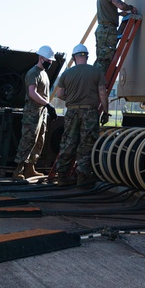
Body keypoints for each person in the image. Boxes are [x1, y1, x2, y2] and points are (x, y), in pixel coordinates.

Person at [53, 44, 108, 187]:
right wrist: (106, 112)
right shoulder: (96, 72)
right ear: (87, 56)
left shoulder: (67, 73)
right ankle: (82, 178)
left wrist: (71, 99)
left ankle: (62, 176)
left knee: (69, 142)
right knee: (87, 144)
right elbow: (103, 93)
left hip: (71, 111)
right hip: (89, 112)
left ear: (74, 57)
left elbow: (59, 94)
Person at [13, 45, 56, 180]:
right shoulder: (33, 73)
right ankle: (18, 169)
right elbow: (32, 93)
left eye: (50, 61)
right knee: (28, 139)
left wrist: (46, 107)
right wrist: (47, 104)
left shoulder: (43, 73)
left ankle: (30, 168)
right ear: (41, 58)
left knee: (39, 140)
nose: (49, 63)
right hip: (32, 111)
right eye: (47, 60)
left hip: (41, 112)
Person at [95, 0, 137, 77]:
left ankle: (94, 81)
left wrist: (118, 14)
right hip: (108, 30)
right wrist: (131, 8)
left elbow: (108, 11)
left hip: (103, 29)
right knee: (106, 59)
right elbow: (121, 5)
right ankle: (98, 84)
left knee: (101, 58)